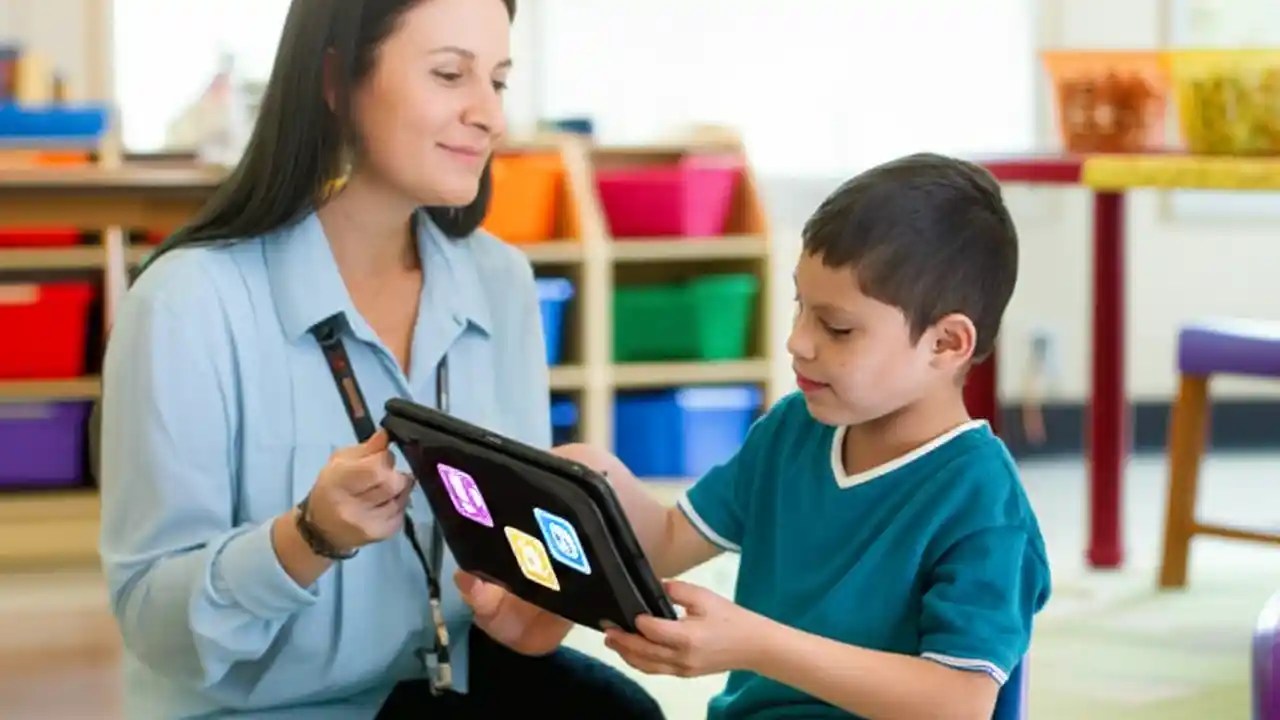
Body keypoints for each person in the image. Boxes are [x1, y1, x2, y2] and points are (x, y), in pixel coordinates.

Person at [96, 1, 663, 718]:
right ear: (335, 79)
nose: (489, 114)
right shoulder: (187, 303)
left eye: (499, 81)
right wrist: (304, 538)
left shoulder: (502, 283)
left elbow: (514, 563)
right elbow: (155, 625)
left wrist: (550, 591)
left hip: (440, 686)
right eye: (450, 74)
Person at [556, 153, 1053, 719]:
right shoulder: (793, 431)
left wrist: (756, 643)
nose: (797, 342)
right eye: (800, 307)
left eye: (836, 327)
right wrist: (590, 480)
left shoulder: (982, 501)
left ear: (945, 344)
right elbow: (666, 542)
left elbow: (957, 703)